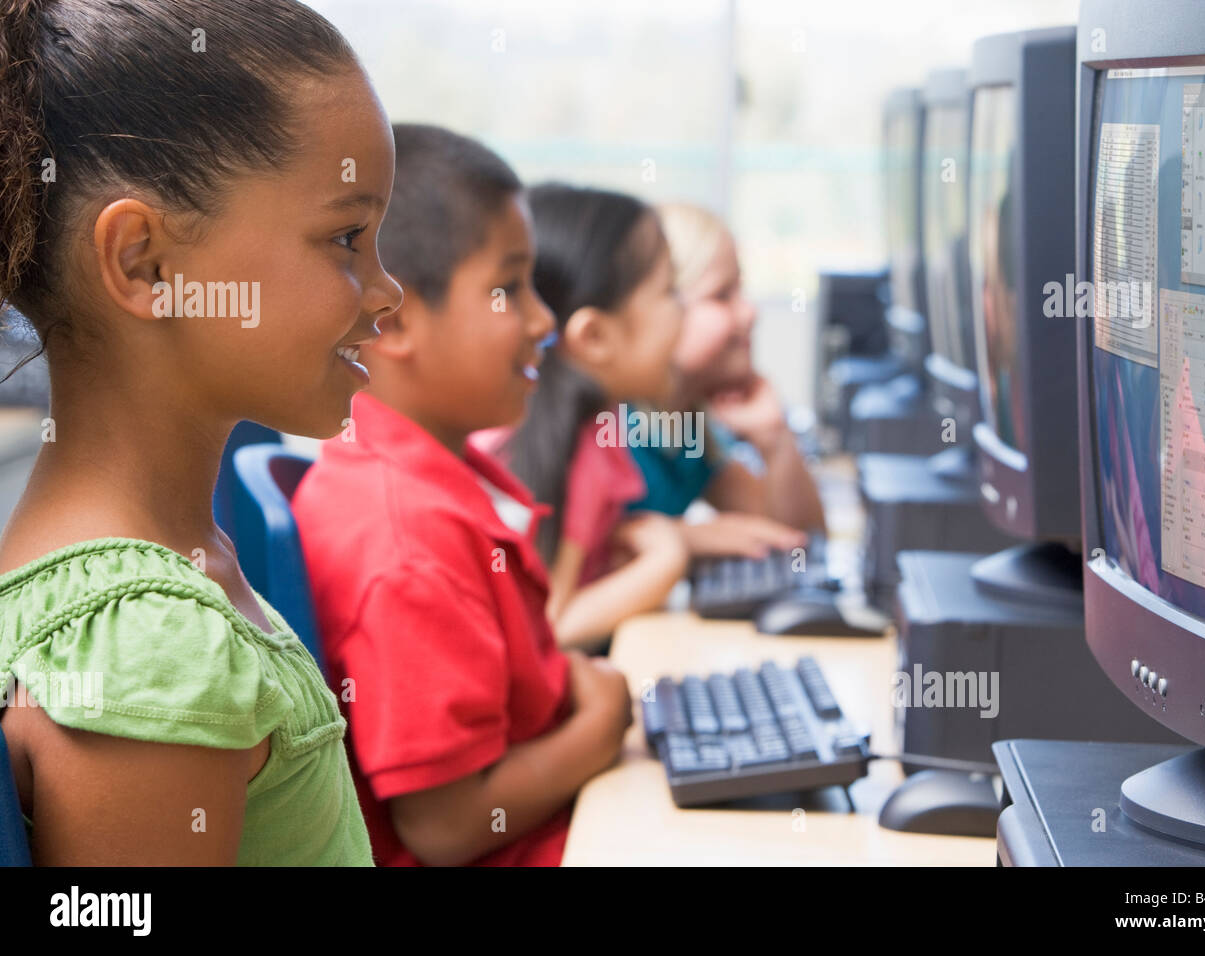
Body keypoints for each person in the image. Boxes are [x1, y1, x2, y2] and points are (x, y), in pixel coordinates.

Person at [0, 0, 400, 864]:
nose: (386, 290)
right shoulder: (147, 643)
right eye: (346, 237)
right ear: (144, 263)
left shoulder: (166, 575)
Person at [293, 126, 633, 866]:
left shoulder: (433, 479)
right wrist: (599, 727)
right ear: (398, 318)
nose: (545, 321)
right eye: (509, 288)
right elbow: (445, 827)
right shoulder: (408, 542)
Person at [479, 184, 690, 650]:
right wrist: (667, 560)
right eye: (670, 290)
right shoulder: (574, 446)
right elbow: (548, 632)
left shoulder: (575, 428)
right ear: (594, 336)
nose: (685, 310)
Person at [630, 203, 825, 560]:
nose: (750, 313)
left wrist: (775, 438)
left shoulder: (686, 423)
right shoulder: (611, 419)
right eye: (722, 295)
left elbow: (796, 542)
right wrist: (687, 538)